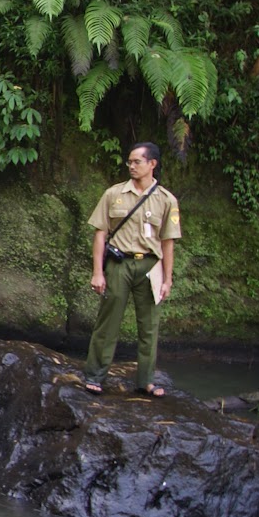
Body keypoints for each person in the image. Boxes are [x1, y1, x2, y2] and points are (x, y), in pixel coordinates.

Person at [82, 142, 181, 396]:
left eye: (137, 161)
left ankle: (146, 380)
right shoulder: (113, 194)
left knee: (149, 325)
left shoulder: (167, 200)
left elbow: (168, 242)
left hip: (150, 265)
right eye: (129, 162)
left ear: (152, 164)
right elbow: (100, 234)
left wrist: (167, 279)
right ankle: (94, 376)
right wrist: (97, 272)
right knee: (108, 321)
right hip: (119, 264)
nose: (131, 166)